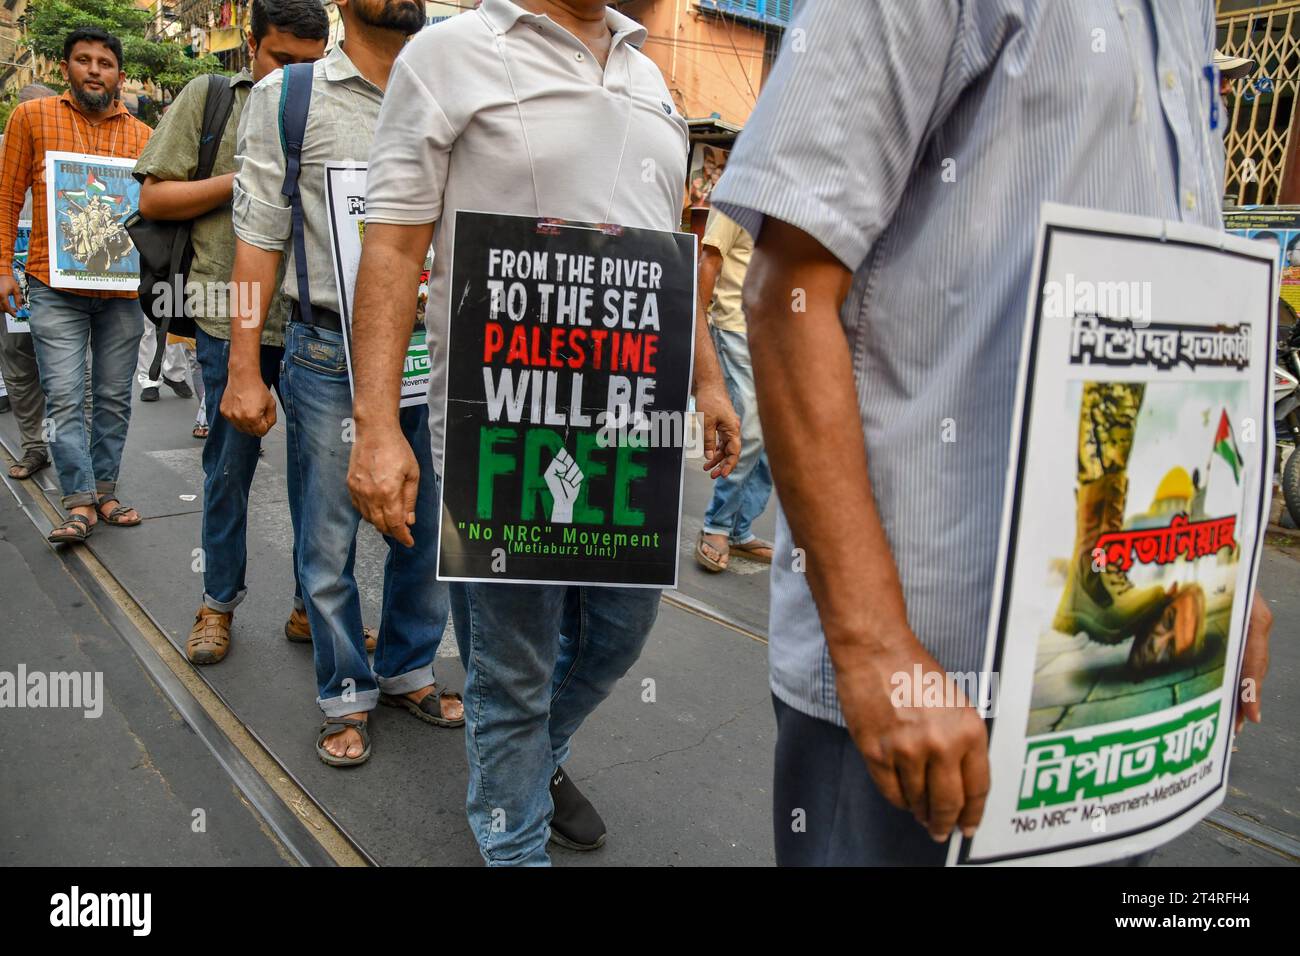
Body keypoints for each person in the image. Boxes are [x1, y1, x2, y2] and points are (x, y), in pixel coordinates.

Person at [710, 0, 1274, 865]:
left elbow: (1178, 326)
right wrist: (877, 649)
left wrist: (1220, 568)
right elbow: (787, 294)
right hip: (934, 693)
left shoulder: (1192, 15)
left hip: (1111, 692)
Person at [346, 0, 741, 864]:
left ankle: (528, 761)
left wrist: (707, 380)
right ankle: (513, 835)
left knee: (616, 639)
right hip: (503, 428)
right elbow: (391, 248)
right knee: (512, 671)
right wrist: (377, 426)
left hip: (626, 432)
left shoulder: (649, 78)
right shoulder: (448, 57)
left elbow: (660, 256)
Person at [225, 0, 464, 765]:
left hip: (444, 351)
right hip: (328, 350)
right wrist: (241, 367)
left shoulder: (459, 82)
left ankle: (406, 668)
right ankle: (344, 691)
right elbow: (257, 234)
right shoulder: (289, 97)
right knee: (327, 538)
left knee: (429, 532)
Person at [134, 0, 329, 666]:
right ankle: (217, 603)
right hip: (227, 313)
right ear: (251, 45)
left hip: (312, 320)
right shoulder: (212, 97)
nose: (298, 76)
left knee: (319, 481)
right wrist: (246, 179)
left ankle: (313, 609)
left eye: (313, 63)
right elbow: (154, 197)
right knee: (228, 470)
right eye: (283, 60)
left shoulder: (337, 104)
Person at [0, 28, 152, 544]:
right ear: (64, 68)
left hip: (120, 292)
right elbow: (5, 198)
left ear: (119, 76)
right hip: (51, 285)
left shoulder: (143, 136)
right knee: (65, 398)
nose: (94, 70)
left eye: (104, 63)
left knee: (112, 397)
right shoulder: (31, 118)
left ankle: (105, 490)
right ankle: (79, 501)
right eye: (83, 61)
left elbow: (154, 210)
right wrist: (3, 268)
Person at [694, 208, 773, 572]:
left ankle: (740, 531)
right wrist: (702, 334)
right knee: (749, 434)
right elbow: (709, 261)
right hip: (737, 328)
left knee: (773, 444)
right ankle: (716, 525)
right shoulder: (737, 198)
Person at [0, 84, 56, 481]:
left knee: (72, 375)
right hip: (14, 279)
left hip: (62, 283)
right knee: (19, 368)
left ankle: (80, 456)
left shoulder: (64, 147)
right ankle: (35, 446)